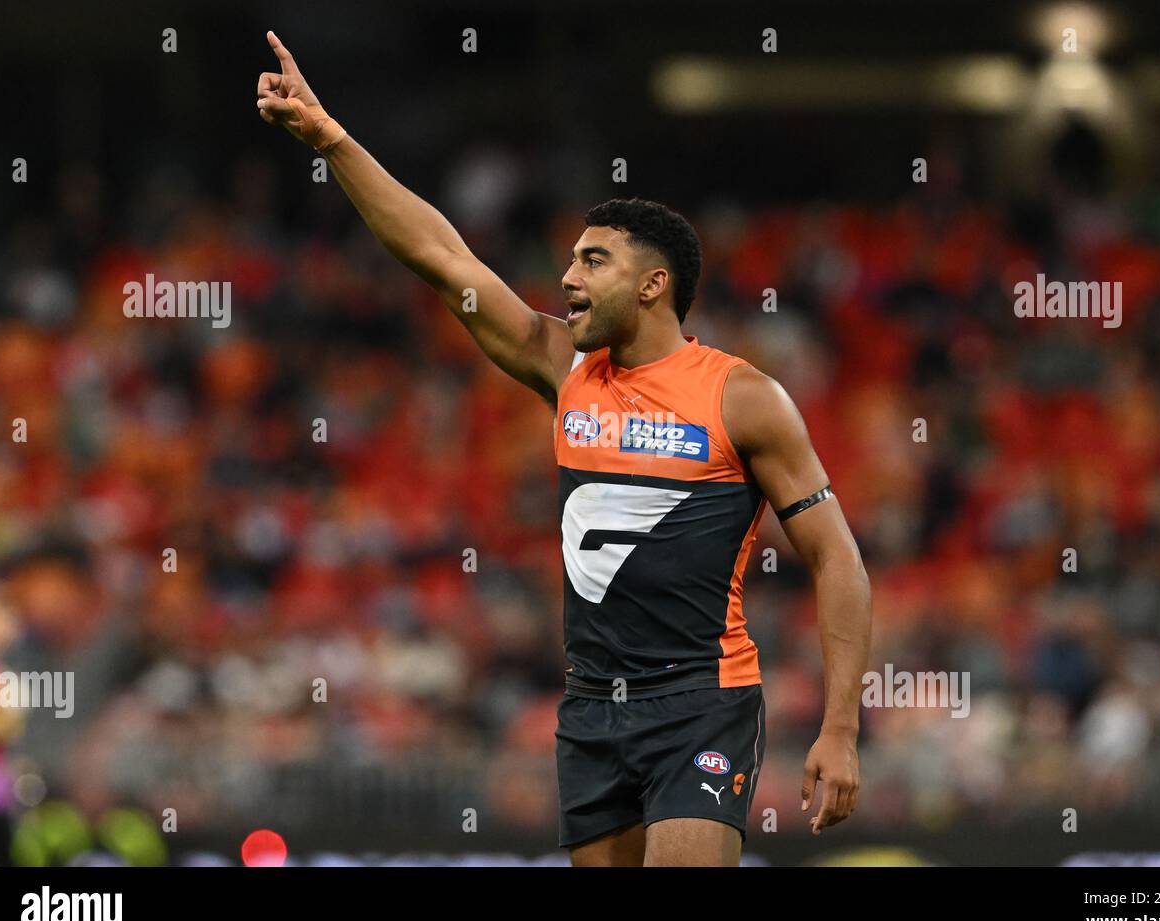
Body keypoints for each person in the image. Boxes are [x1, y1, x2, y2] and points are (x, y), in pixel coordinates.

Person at [255, 30, 871, 866]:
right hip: (590, 710)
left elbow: (837, 560)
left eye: (593, 261)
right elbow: (442, 257)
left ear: (654, 285)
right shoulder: (564, 367)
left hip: (700, 702)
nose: (568, 279)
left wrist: (840, 731)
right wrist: (331, 140)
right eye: (570, 260)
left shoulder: (744, 398)